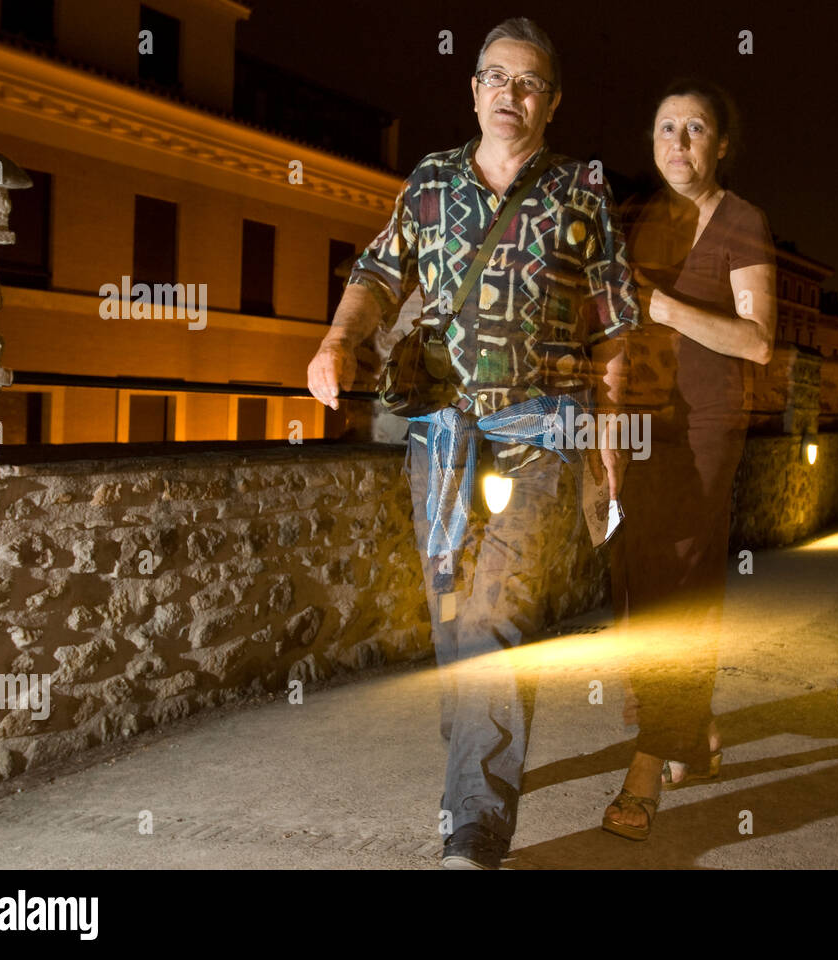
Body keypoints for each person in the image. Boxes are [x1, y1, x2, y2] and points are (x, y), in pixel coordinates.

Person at [307, 17, 639, 869]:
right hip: (442, 436)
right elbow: (380, 273)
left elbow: (614, 327)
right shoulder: (429, 183)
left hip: (541, 433)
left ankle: (476, 828)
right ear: (474, 89)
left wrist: (609, 441)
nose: (509, 94)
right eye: (496, 77)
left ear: (553, 101)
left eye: (528, 83)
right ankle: (470, 784)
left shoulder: (582, 191)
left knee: (498, 612)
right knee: (454, 616)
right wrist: (337, 341)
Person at [602, 79, 776, 841]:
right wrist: (603, 429)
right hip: (636, 421)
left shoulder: (743, 222)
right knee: (634, 577)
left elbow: (759, 339)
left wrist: (668, 309)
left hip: (706, 424)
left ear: (721, 144)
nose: (679, 143)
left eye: (695, 129)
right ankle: (693, 731)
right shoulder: (633, 221)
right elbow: (608, 329)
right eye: (665, 128)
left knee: (682, 578)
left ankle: (646, 769)